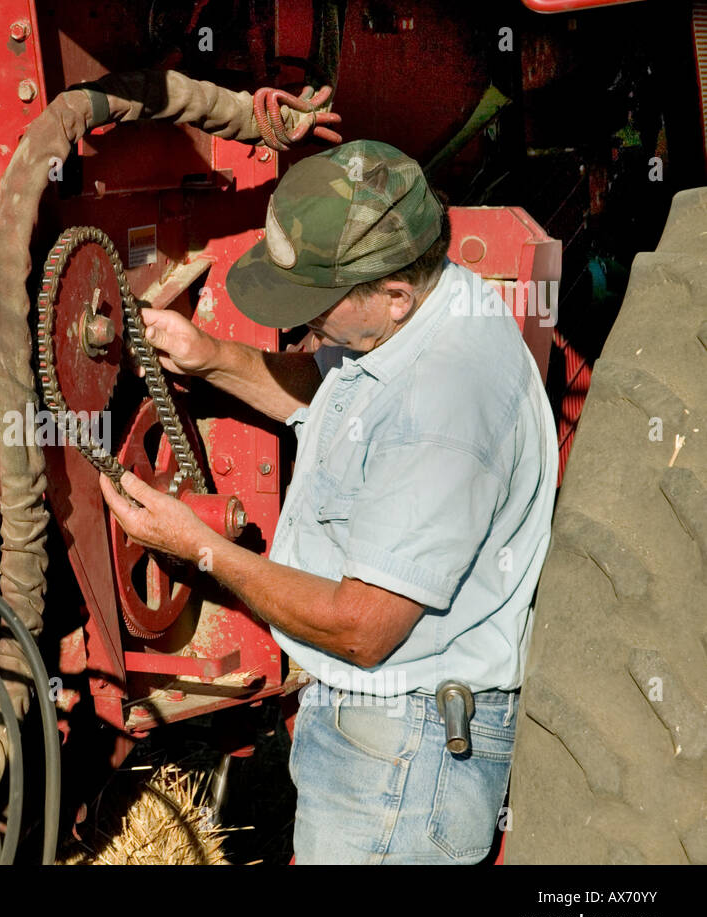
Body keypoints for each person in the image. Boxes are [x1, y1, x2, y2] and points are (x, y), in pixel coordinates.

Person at [100, 140, 558, 864]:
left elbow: (359, 629)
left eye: (316, 305)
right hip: (379, 739)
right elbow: (332, 391)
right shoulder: (421, 304)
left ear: (395, 292)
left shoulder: (447, 408)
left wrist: (202, 549)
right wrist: (211, 355)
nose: (303, 324)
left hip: (399, 767)